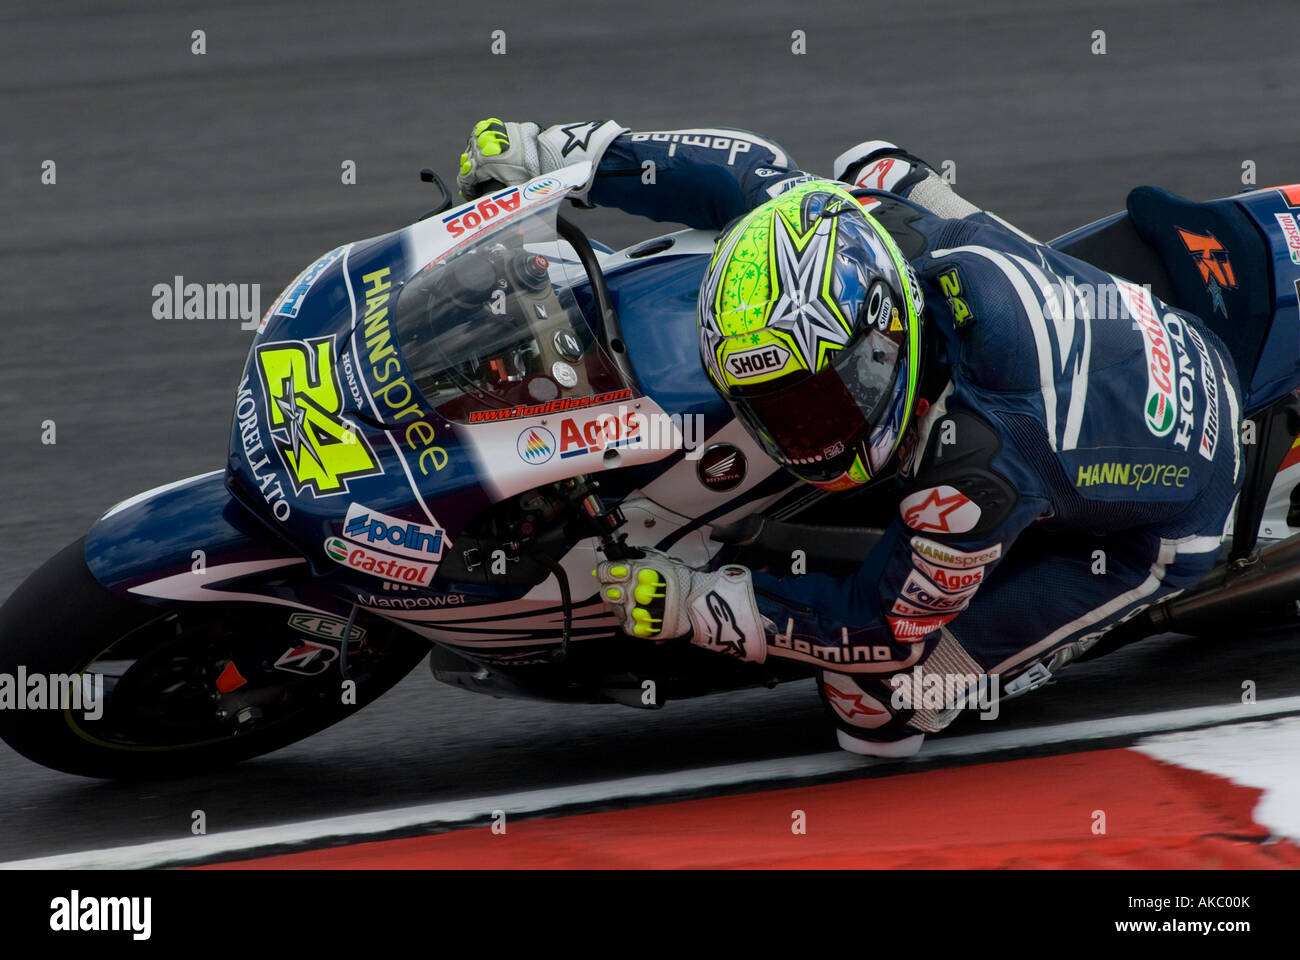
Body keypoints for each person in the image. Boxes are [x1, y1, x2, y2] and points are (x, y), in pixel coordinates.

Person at [456, 118, 1243, 756]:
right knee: (871, 166)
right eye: (778, 408)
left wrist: (698, 601)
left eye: (818, 403)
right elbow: (746, 171)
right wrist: (565, 158)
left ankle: (1022, 655)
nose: (798, 436)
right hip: (1059, 321)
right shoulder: (871, 237)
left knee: (878, 709)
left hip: (1168, 514)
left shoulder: (969, 478)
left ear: (882, 342)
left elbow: (879, 626)